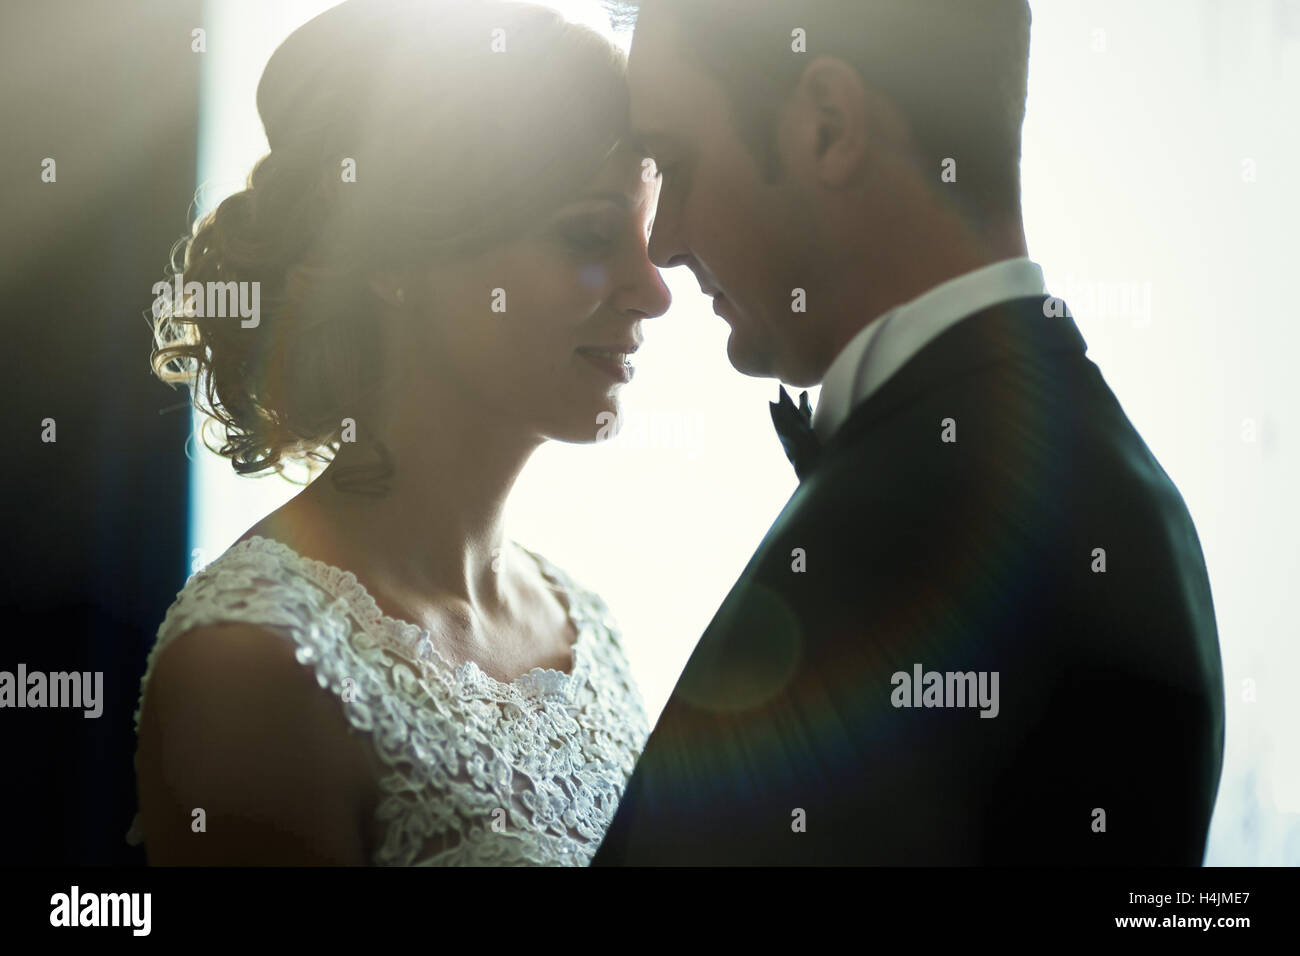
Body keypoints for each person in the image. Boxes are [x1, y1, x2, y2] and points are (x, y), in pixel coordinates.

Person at [591, 0, 1225, 865]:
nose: (661, 245)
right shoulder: (1108, 487)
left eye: (679, 164)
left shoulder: (929, 532)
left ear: (828, 127)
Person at [127, 0, 670, 865]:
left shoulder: (585, 628)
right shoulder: (256, 663)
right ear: (390, 259)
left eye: (649, 236)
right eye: (590, 235)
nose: (655, 290)